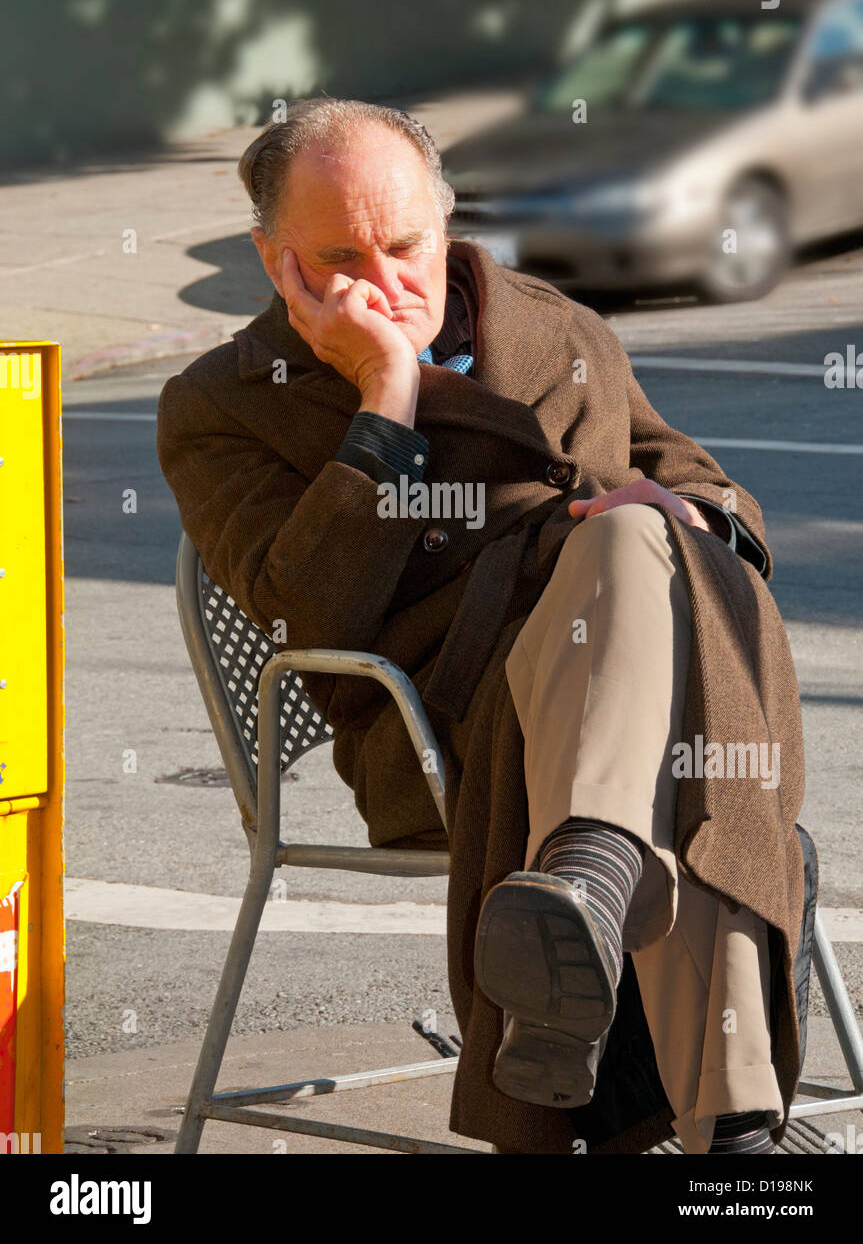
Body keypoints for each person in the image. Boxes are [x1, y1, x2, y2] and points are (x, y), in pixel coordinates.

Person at [156, 98, 806, 1155]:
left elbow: (702, 481)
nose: (383, 280)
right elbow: (300, 610)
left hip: (642, 713)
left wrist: (681, 520)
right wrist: (384, 404)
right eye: (336, 257)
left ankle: (587, 882)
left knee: (643, 546)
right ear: (274, 262)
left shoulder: (559, 329)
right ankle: (732, 1141)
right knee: (665, 668)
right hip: (439, 733)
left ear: (447, 218)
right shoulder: (221, 403)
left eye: (406, 244)